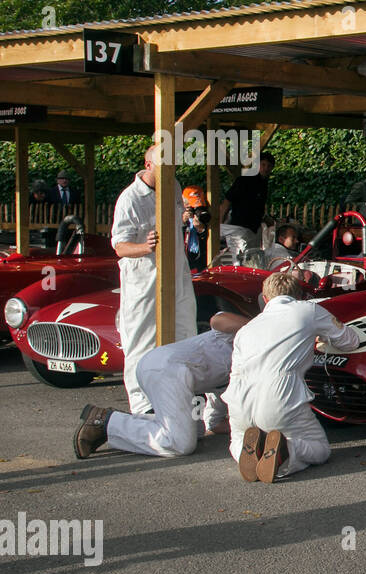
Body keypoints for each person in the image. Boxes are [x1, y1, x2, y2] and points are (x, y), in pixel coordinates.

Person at [223, 271, 362, 482]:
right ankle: (286, 450)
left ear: (265, 298)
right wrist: (320, 341)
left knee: (237, 441)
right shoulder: (308, 310)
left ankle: (252, 449)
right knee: (320, 449)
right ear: (298, 296)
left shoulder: (247, 329)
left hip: (239, 398)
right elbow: (350, 341)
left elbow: (235, 371)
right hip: (279, 394)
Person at [73, 313, 249, 459]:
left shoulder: (246, 372)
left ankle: (114, 421)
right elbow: (218, 320)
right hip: (167, 367)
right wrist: (257, 325)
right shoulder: (247, 332)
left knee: (196, 431)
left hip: (171, 373)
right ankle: (106, 422)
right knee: (181, 444)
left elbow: (214, 423)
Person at [111, 144, 198, 415]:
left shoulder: (173, 186)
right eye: (163, 165)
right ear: (148, 165)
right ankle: (141, 407)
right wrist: (145, 247)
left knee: (185, 333)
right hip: (144, 281)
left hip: (177, 275)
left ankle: (180, 398)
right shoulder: (130, 198)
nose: (169, 171)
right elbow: (119, 246)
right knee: (141, 341)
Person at [219, 150, 274, 257]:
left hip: (253, 230)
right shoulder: (244, 180)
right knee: (239, 260)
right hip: (238, 229)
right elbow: (227, 202)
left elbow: (256, 207)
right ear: (257, 165)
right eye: (263, 164)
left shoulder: (263, 184)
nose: (266, 168)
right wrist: (219, 225)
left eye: (269, 166)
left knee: (252, 259)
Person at [181, 186, 210, 272]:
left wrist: (201, 230)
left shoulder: (204, 214)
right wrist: (183, 222)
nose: (195, 210)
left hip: (201, 260)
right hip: (184, 258)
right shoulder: (177, 214)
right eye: (192, 207)